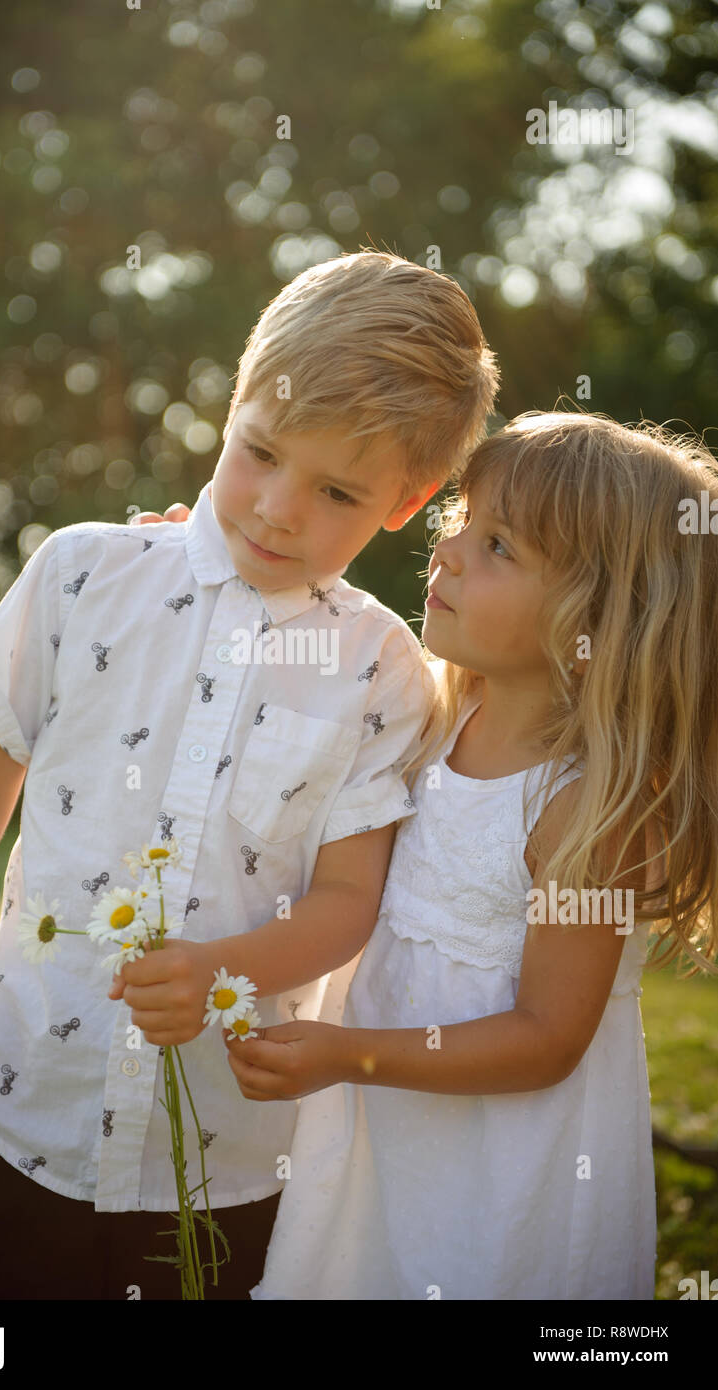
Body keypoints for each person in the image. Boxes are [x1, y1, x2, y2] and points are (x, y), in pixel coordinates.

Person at [0, 249, 498, 1300]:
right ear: (232, 403)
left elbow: (348, 900)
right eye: (260, 453)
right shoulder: (81, 573)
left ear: (405, 499)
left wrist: (224, 966)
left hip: (227, 1154)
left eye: (335, 489)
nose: (279, 509)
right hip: (25, 1109)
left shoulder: (381, 668)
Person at [217, 410, 718, 1301]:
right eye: (460, 519)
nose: (446, 553)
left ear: (594, 618)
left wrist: (348, 1054)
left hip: (499, 1180)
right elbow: (303, 643)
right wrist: (184, 557)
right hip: (390, 1148)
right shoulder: (435, 714)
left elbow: (545, 1041)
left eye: (497, 547)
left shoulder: (584, 812)